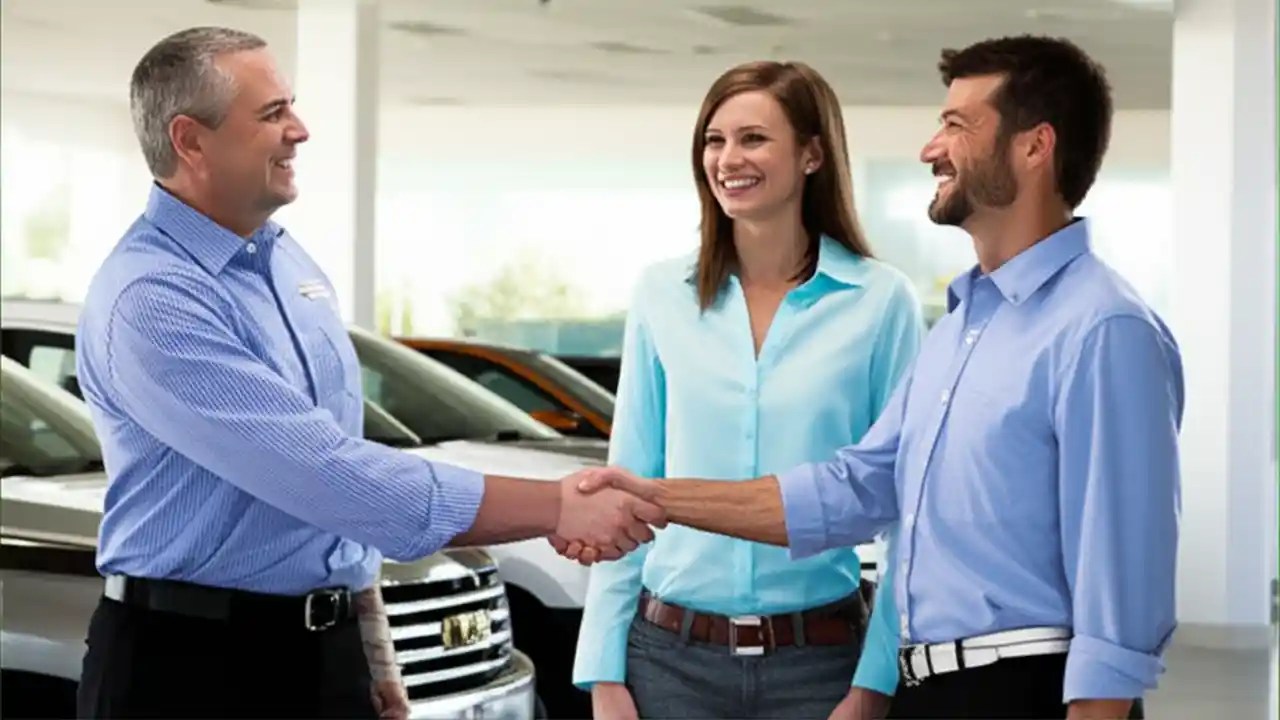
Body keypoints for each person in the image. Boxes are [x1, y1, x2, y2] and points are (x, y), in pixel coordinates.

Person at [560, 35, 1181, 720]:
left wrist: (870, 683)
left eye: (955, 125)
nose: (929, 149)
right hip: (933, 688)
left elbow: (1122, 591)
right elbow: (857, 487)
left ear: (1033, 147)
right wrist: (650, 497)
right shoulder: (963, 327)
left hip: (1020, 683)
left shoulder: (1102, 327)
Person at [73, 26, 659, 720]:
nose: (301, 130)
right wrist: (558, 507)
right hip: (193, 666)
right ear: (190, 141)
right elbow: (327, 475)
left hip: (325, 652)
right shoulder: (153, 298)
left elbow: (333, 494)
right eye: (272, 114)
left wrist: (372, 648)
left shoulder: (289, 265)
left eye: (291, 105)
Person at [569, 59, 923, 720]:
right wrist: (603, 676)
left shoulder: (881, 303)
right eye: (714, 139)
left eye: (753, 138)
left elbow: (911, 510)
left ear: (813, 153)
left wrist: (874, 684)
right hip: (666, 662)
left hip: (822, 667)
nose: (728, 157)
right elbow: (630, 485)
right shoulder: (660, 296)